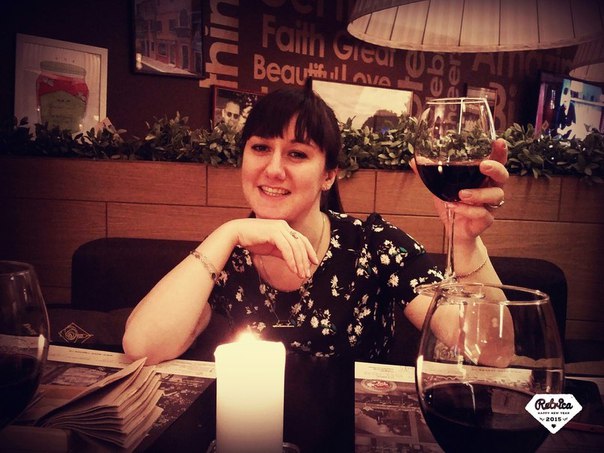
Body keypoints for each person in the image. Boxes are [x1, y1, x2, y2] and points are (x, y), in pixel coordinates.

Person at [123, 80, 509, 365]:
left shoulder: (374, 245)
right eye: (260, 147)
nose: (274, 169)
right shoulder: (228, 254)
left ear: (328, 175)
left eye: (297, 154)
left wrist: (466, 241)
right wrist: (227, 233)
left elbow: (492, 352)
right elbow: (142, 346)